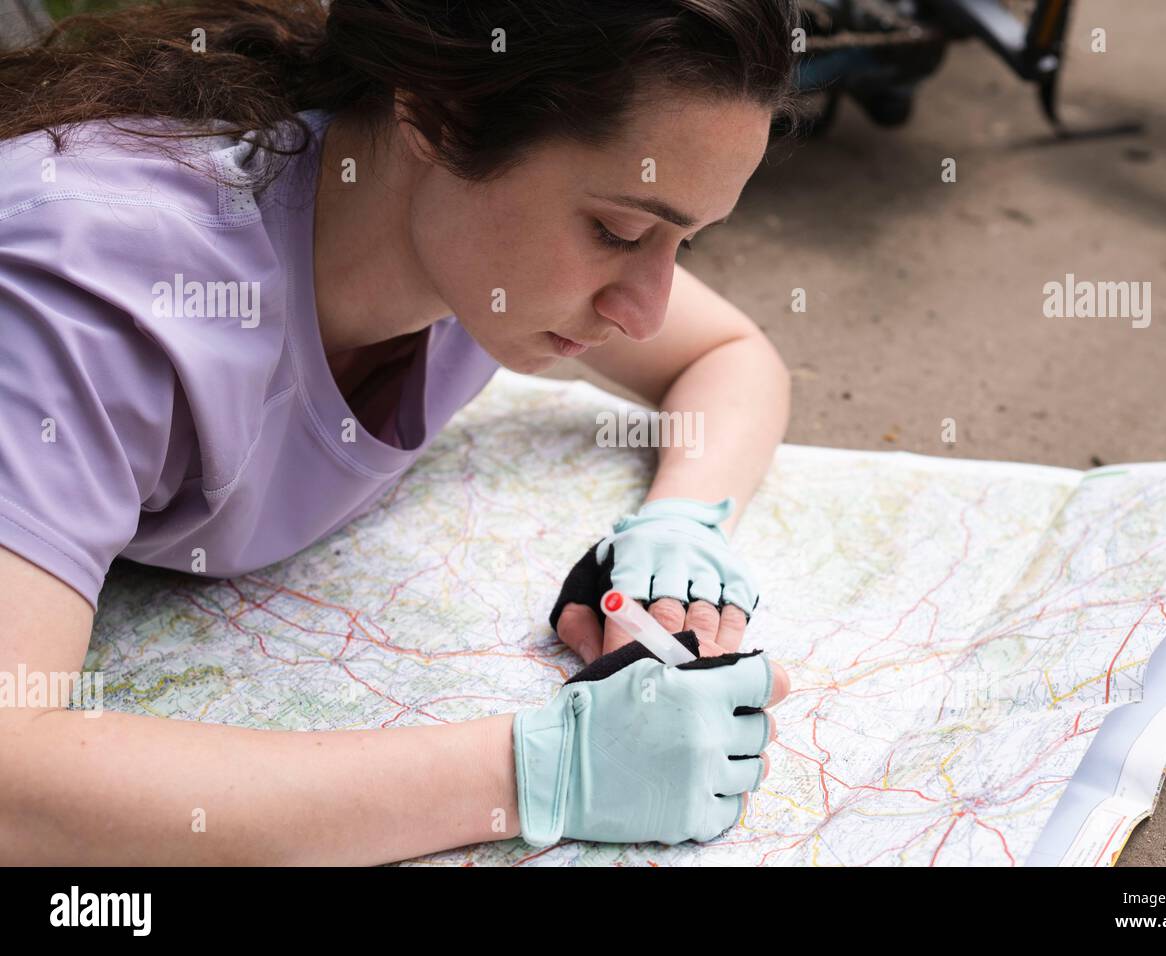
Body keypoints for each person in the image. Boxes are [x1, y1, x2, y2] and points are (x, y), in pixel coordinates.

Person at [0, 0, 797, 864]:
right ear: (437, 113)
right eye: (619, 231)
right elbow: (14, 787)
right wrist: (538, 771)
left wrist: (678, 525)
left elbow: (727, 353)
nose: (646, 313)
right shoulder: (91, 295)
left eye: (686, 243)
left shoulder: (459, 257)